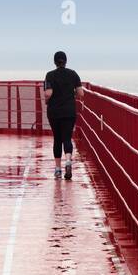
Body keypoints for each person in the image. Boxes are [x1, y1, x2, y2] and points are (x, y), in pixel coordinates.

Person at [43, 52, 82, 180]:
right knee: (67, 137)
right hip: (69, 111)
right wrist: (72, 96)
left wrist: (46, 100)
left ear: (54, 62)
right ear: (65, 61)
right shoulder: (73, 74)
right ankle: (69, 161)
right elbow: (81, 93)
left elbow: (48, 93)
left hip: (54, 112)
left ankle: (58, 169)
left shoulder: (50, 75)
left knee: (57, 139)